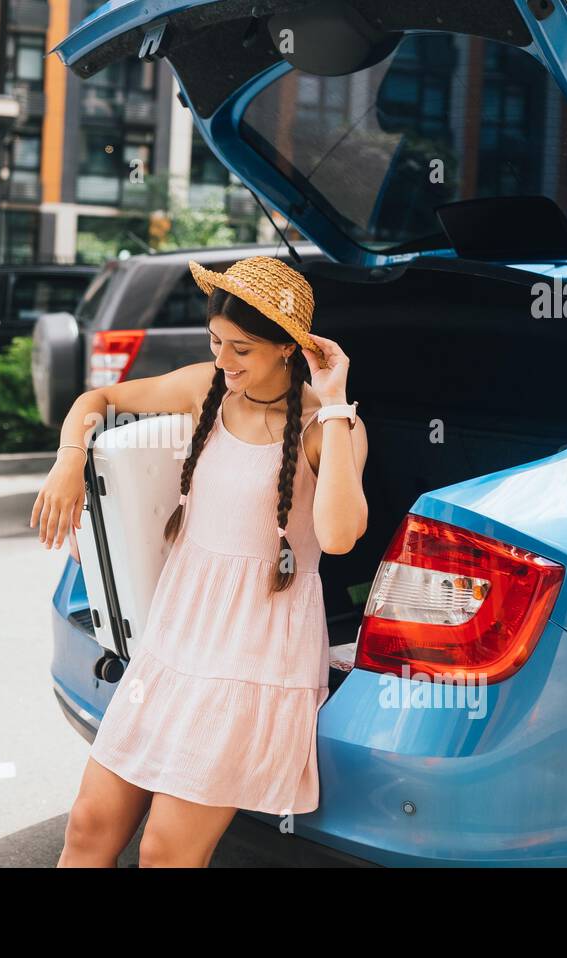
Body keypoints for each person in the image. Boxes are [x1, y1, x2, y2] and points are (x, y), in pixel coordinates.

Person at [30, 255, 369, 867]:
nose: (224, 360)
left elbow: (341, 537)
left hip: (252, 658)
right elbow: (97, 397)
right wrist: (69, 458)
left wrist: (338, 401)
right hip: (174, 645)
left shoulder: (330, 426)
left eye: (241, 348)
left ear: (287, 349)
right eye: (216, 341)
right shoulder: (204, 389)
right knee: (87, 828)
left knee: (164, 853)